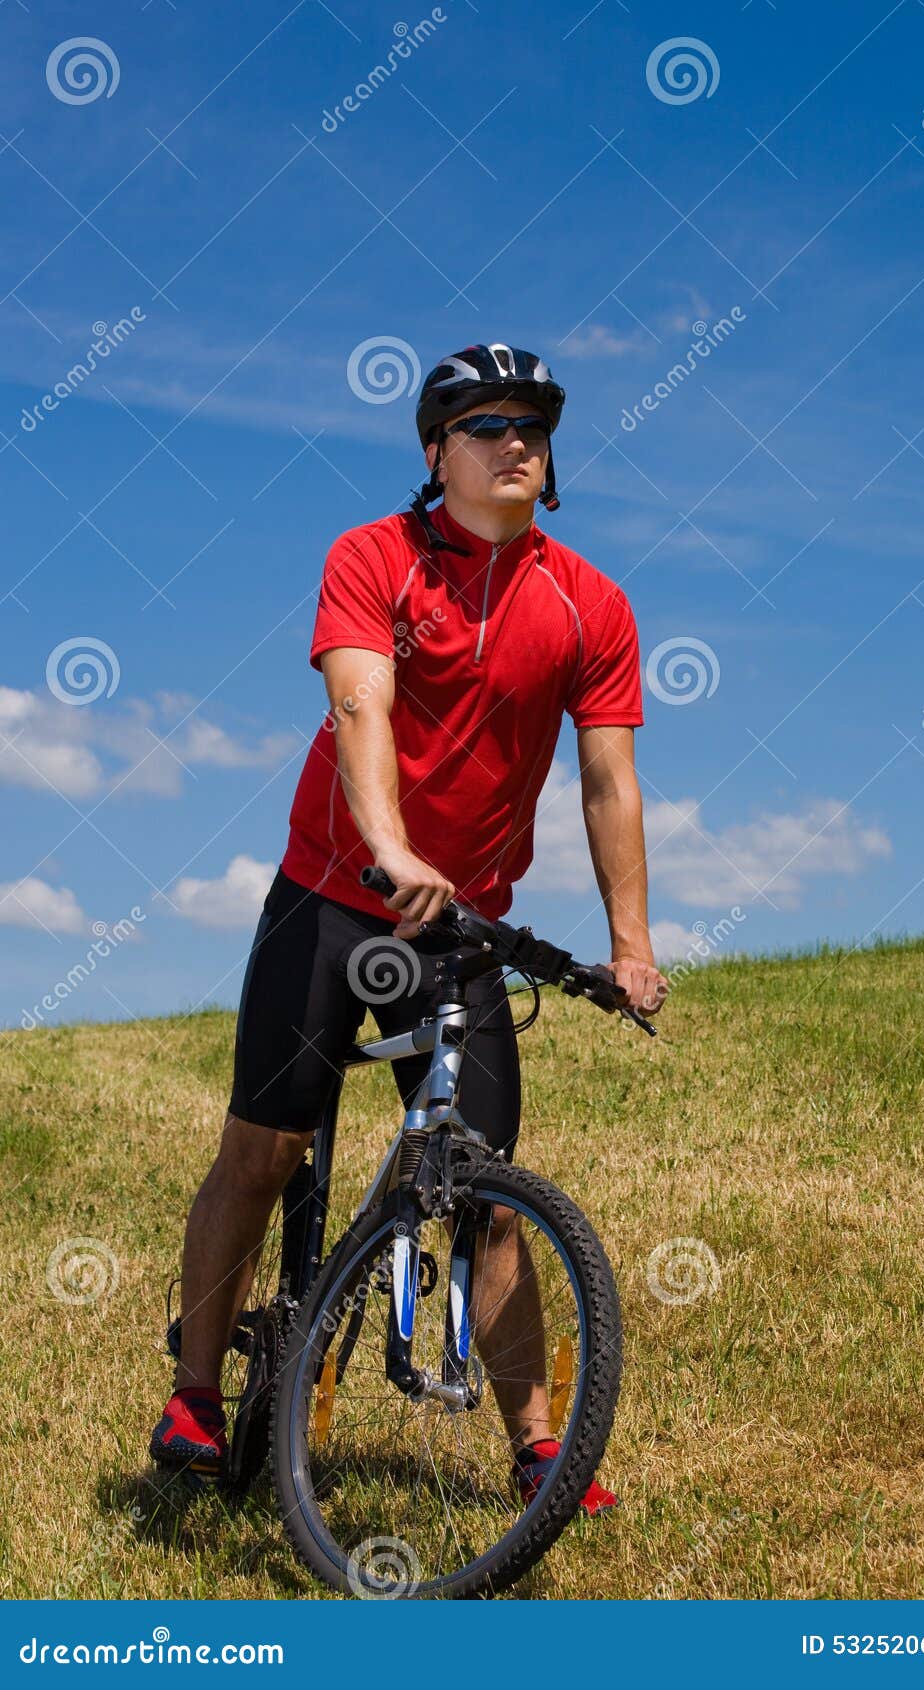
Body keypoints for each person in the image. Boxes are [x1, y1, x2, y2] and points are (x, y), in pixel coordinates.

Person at [151, 343, 669, 1513]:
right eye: (487, 423)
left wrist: (628, 943)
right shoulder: (373, 558)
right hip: (333, 892)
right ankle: (192, 1394)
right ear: (436, 453)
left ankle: (541, 1448)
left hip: (462, 924)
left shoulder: (588, 602)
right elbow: (358, 703)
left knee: (483, 1187)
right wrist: (386, 845)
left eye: (533, 423)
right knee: (262, 1148)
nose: (518, 441)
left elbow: (606, 780)